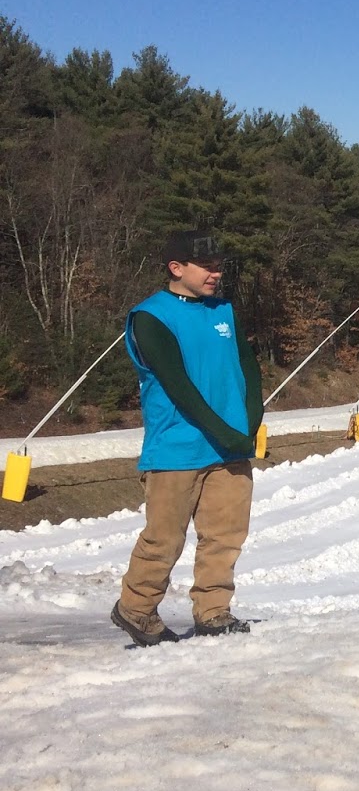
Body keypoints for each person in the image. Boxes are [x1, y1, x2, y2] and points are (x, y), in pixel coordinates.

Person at [110, 230, 262, 645]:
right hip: (177, 447)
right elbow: (178, 386)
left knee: (225, 535)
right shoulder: (150, 317)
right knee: (164, 538)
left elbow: (248, 367)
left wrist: (251, 421)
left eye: (219, 266)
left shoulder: (224, 310)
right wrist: (225, 431)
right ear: (176, 268)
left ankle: (213, 611)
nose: (216, 273)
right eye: (207, 266)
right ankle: (136, 608)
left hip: (230, 447)